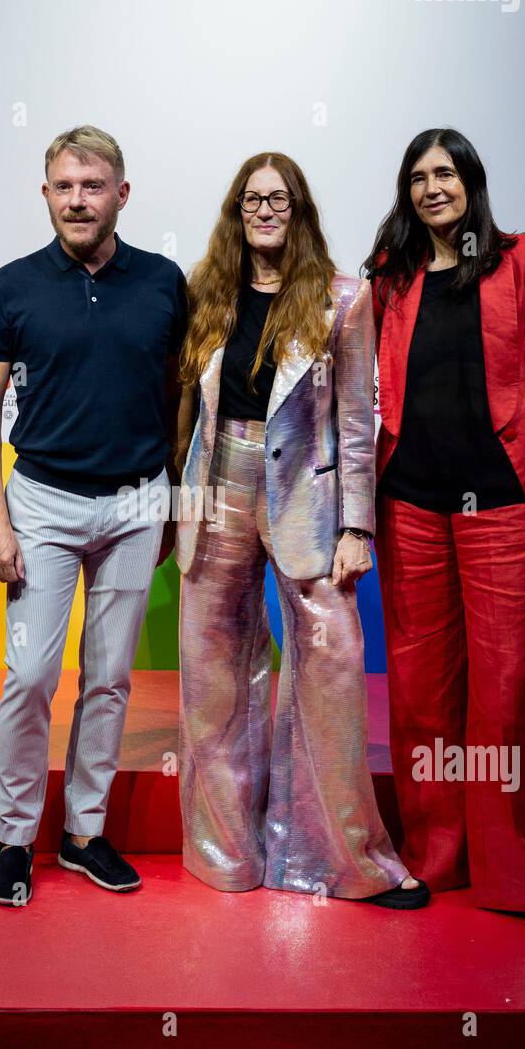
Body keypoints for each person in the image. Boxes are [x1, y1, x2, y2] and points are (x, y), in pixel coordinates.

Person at [174, 152, 428, 908]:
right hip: (217, 486)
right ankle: (226, 853)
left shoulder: (343, 300)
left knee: (331, 672)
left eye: (278, 198)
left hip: (307, 501)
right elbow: (189, 414)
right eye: (252, 199)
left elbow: (357, 422)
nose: (264, 211)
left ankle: (338, 861)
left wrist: (359, 526)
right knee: (214, 675)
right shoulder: (208, 294)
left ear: (299, 208)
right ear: (236, 210)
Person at [365, 126, 525, 923]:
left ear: (471, 181)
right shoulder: (389, 279)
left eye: (446, 173)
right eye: (419, 177)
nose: (433, 188)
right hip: (410, 507)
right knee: (423, 696)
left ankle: (515, 873)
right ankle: (435, 857)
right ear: (407, 192)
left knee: (501, 700)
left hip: (502, 511)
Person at [0, 125, 187, 906]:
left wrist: (171, 505)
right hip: (43, 502)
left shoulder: (164, 281)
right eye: (64, 186)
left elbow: (177, 398)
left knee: (109, 679)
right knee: (28, 677)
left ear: (122, 194)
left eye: (93, 186)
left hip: (136, 501)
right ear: (45, 193)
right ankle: (15, 837)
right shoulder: (15, 287)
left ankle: (83, 833)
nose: (78, 199)